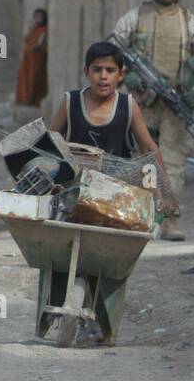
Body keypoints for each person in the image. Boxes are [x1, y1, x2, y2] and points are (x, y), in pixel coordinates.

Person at [43, 42, 168, 345]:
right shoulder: (70, 103)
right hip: (74, 194)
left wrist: (163, 191)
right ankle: (56, 312)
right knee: (59, 254)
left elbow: (149, 149)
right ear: (86, 72)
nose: (103, 76)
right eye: (97, 69)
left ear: (120, 75)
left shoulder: (127, 107)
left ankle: (106, 325)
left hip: (115, 198)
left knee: (111, 263)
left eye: (110, 70)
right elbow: (50, 143)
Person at [112, 0, 194, 241]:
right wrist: (127, 79)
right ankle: (141, 218)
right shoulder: (134, 18)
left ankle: (169, 220)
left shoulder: (190, 23)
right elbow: (110, 54)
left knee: (172, 163)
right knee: (141, 161)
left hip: (174, 106)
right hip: (141, 103)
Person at [15, 8, 49, 107]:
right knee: (24, 78)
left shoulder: (44, 30)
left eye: (40, 17)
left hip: (36, 59)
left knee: (34, 79)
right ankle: (24, 99)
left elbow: (40, 44)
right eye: (36, 17)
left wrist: (32, 48)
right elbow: (27, 39)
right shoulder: (33, 28)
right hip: (27, 59)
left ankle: (33, 100)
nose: (38, 19)